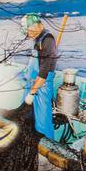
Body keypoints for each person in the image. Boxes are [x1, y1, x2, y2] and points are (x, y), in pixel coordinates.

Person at [20, 14, 57, 142]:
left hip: (42, 87)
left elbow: (43, 73)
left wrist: (32, 93)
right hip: (32, 83)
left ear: (38, 25)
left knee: (42, 121)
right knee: (27, 115)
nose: (28, 35)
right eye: (26, 32)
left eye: (29, 31)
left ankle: (47, 147)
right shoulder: (37, 38)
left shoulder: (48, 41)